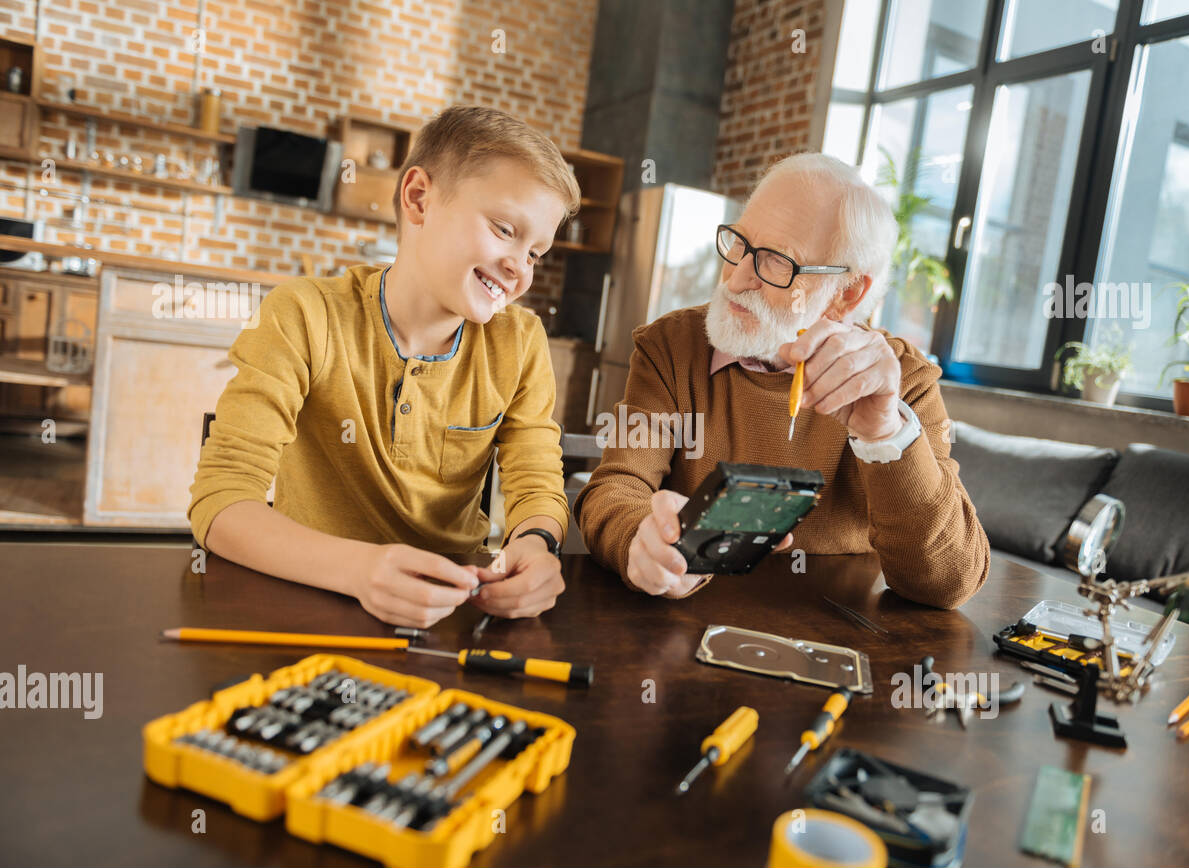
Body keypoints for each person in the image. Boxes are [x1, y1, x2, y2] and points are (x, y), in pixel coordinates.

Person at [189, 106, 575, 627]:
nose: (519, 268)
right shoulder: (303, 314)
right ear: (418, 199)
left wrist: (536, 541)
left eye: (536, 252)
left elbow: (536, 480)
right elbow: (222, 500)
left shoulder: (521, 343)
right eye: (505, 229)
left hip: (449, 608)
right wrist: (360, 570)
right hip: (305, 597)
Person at [575, 152, 989, 609]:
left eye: (774, 262)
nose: (735, 277)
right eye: (739, 243)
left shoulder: (902, 380)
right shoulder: (672, 346)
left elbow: (949, 581)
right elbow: (615, 487)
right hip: (682, 632)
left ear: (847, 293)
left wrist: (884, 433)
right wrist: (642, 542)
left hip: (841, 646)